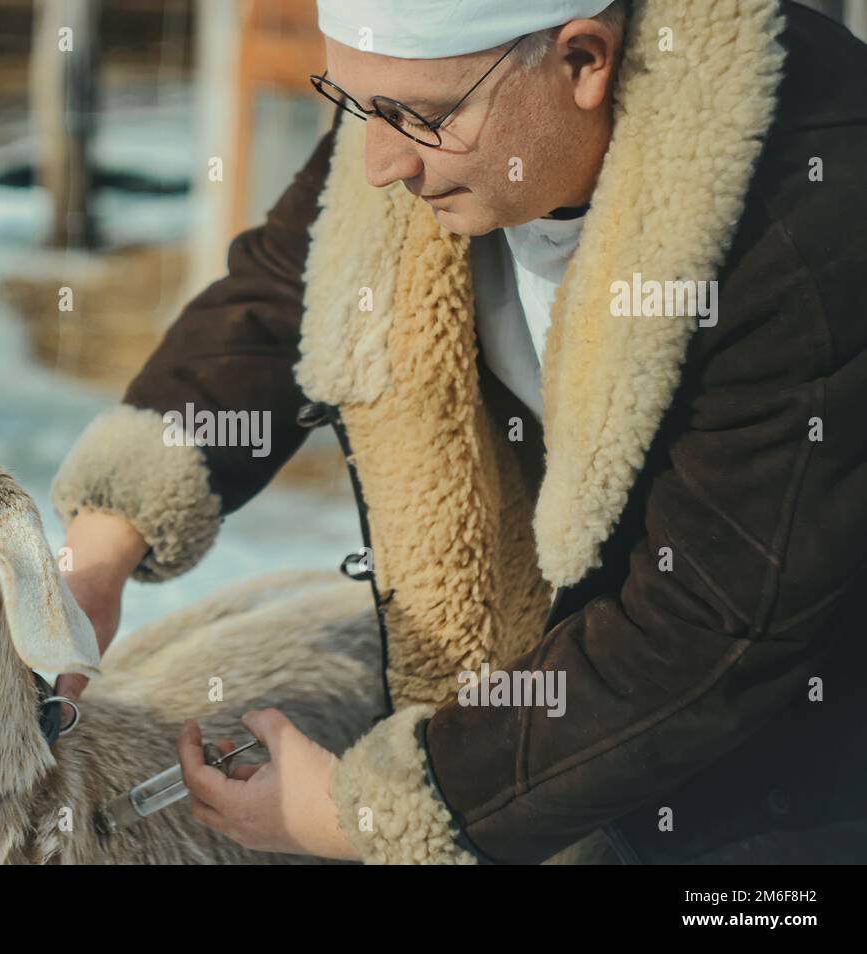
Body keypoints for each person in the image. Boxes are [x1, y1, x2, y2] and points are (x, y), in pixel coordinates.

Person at [49, 0, 867, 864]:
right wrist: (101, 552)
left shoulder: (809, 210)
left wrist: (370, 813)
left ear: (584, 61)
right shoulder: (444, 91)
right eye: (357, 106)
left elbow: (712, 623)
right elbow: (287, 298)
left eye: (420, 118)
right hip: (585, 693)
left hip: (802, 771)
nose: (377, 163)